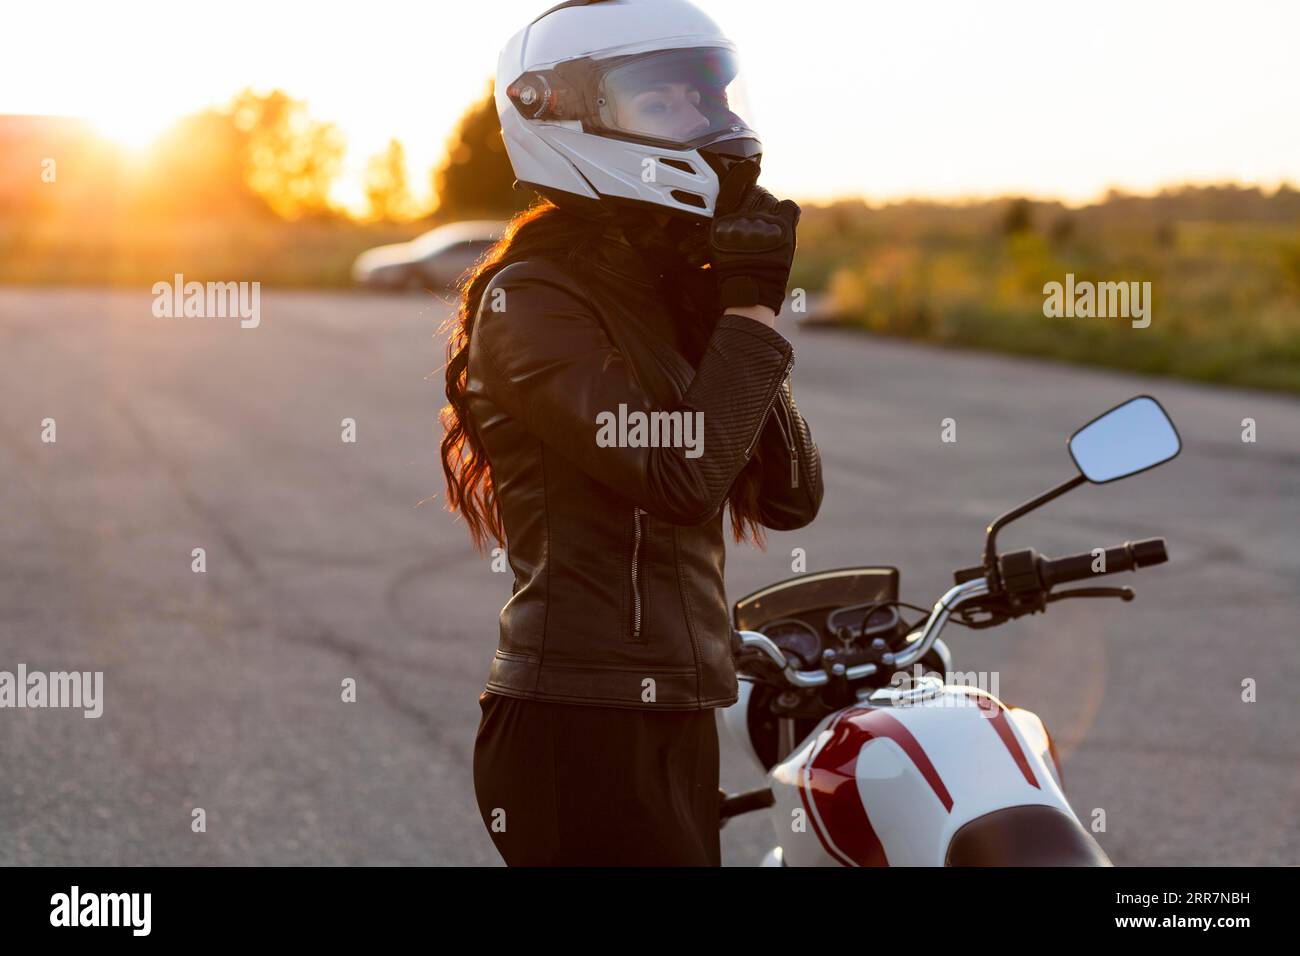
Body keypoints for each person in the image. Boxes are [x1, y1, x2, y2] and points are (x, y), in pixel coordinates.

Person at [438, 0, 824, 866]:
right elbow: (680, 476)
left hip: (678, 713)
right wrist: (753, 313)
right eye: (665, 104)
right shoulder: (533, 300)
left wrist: (726, 304)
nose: (712, 125)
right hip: (580, 721)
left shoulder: (665, 293)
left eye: (712, 98)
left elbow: (794, 495)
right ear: (560, 114)